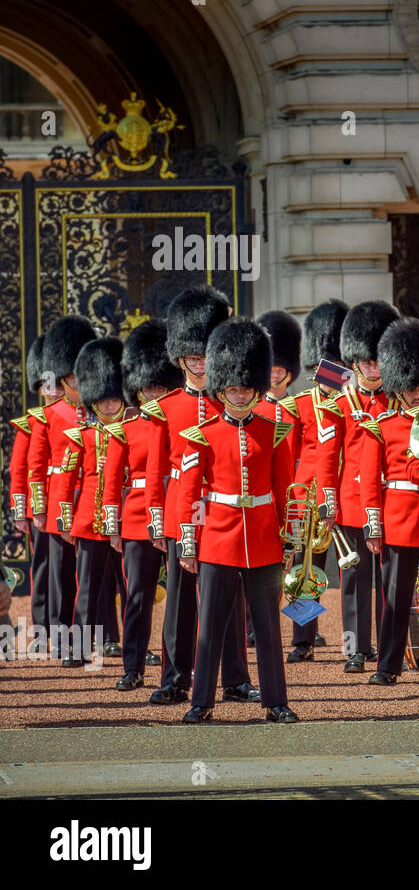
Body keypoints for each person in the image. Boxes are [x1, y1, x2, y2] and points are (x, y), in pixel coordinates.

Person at [176, 317, 297, 724]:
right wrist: (189, 543)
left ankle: (276, 701)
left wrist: (291, 539)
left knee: (267, 629)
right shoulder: (202, 433)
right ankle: (201, 702)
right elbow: (192, 494)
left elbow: (285, 491)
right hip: (218, 541)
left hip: (263, 539)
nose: (240, 394)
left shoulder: (274, 431)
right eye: (233, 388)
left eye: (246, 387)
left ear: (255, 386)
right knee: (209, 627)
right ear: (222, 387)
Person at [143, 286, 256, 706]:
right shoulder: (166, 407)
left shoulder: (233, 404)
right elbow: (157, 469)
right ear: (181, 359)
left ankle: (235, 680)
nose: (200, 363)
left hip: (225, 512)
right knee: (179, 602)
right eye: (193, 357)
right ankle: (174, 678)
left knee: (229, 600)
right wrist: (158, 517)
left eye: (206, 355)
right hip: (182, 512)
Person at [307, 300, 399, 664]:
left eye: (377, 360)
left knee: (389, 578)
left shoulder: (395, 396)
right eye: (366, 361)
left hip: (391, 499)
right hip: (350, 499)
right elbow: (327, 455)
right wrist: (327, 503)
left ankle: (390, 646)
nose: (372, 368)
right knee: (354, 577)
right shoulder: (338, 400)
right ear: (355, 361)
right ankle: (354, 649)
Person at [359, 317, 419, 691]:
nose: (417, 395)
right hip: (399, 518)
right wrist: (373, 525)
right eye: (410, 389)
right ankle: (388, 663)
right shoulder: (382, 425)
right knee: (394, 597)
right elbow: (369, 480)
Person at [104, 320, 179, 689]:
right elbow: (111, 481)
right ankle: (132, 668)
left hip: (178, 516)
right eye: (148, 389)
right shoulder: (125, 428)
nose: (154, 395)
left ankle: (177, 669)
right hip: (136, 520)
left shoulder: (183, 425)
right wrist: (112, 526)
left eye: (161, 388)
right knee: (137, 599)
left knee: (181, 601)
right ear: (137, 391)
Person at [48, 337, 128, 666]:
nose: (110, 407)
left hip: (126, 519)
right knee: (88, 590)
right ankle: (80, 647)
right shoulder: (80, 435)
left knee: (132, 592)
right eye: (104, 403)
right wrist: (65, 523)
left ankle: (134, 647)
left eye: (114, 402)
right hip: (88, 520)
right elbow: (66, 481)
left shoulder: (132, 431)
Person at [26, 316, 97, 650]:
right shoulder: (49, 414)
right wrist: (38, 510)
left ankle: (89, 635)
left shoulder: (97, 412)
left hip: (91, 498)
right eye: (70, 376)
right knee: (58, 571)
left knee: (90, 572)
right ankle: (57, 633)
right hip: (59, 499)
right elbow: (35, 466)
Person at [291, 300, 356, 659]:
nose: (329, 371)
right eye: (323, 365)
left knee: (351, 570)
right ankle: (304, 638)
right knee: (307, 570)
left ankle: (355, 642)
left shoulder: (353, 402)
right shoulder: (302, 403)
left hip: (347, 493)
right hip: (310, 497)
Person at [253, 310, 308, 652]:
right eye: (270, 368)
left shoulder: (301, 408)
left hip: (293, 497)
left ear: (289, 372)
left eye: (279, 369)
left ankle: (303, 635)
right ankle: (254, 626)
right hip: (263, 498)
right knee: (260, 568)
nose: (274, 374)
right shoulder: (254, 409)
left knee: (302, 571)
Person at [9, 336, 50, 643]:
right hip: (43, 503)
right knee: (43, 564)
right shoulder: (30, 422)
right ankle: (42, 624)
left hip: (74, 502)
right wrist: (23, 510)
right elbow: (19, 471)